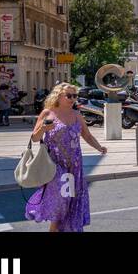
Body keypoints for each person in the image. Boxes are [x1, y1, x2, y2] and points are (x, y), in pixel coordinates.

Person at [25, 83, 107, 232]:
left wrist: (99, 147)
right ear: (58, 96)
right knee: (61, 200)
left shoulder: (76, 115)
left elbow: (87, 135)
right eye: (69, 96)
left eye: (74, 96)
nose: (72, 99)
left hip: (74, 165)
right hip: (56, 165)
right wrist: (43, 128)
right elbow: (35, 138)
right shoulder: (47, 113)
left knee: (72, 201)